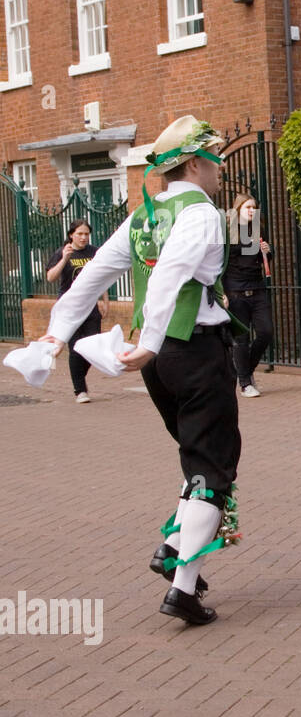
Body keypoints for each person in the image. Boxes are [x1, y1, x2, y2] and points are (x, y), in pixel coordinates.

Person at [40, 115, 242, 625]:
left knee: (197, 461)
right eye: (216, 159)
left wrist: (57, 332)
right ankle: (178, 581)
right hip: (192, 351)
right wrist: (150, 341)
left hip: (161, 364)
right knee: (213, 467)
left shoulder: (143, 216)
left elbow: (95, 277)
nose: (220, 170)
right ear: (196, 164)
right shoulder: (201, 213)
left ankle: (177, 559)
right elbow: (174, 273)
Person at [44, 219, 108, 403]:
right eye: (79, 234)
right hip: (69, 309)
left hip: (90, 307)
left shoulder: (94, 252)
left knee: (91, 348)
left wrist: (104, 300)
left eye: (86, 234)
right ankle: (80, 390)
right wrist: (64, 258)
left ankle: (79, 380)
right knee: (75, 349)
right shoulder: (62, 252)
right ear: (71, 234)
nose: (83, 237)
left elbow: (100, 277)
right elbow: (50, 277)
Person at [222, 193, 273, 398]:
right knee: (241, 339)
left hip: (258, 289)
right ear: (238, 210)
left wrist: (268, 251)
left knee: (266, 332)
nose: (252, 210)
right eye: (247, 207)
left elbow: (264, 259)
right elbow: (220, 263)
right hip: (235, 292)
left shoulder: (257, 231)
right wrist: (222, 292)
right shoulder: (228, 233)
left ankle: (243, 371)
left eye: (253, 207)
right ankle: (245, 383)